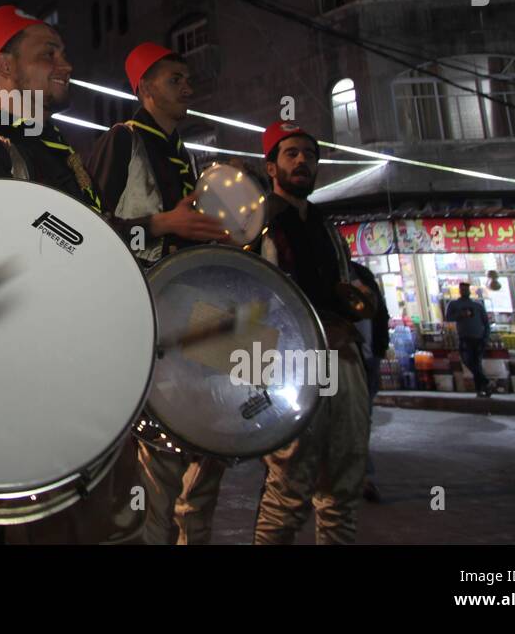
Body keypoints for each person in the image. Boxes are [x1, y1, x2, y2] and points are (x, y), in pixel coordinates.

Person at [0, 7, 167, 543]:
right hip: (26, 407)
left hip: (95, 395)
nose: (67, 64)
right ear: (6, 70)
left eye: (63, 53)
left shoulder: (65, 157)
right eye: (48, 54)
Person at [86, 43, 230, 544]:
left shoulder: (184, 155)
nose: (187, 87)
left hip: (183, 314)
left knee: (205, 439)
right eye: (174, 79)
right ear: (144, 90)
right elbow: (86, 230)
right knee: (149, 466)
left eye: (188, 79)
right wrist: (160, 224)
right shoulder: (121, 141)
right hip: (136, 314)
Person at [252, 121, 371, 545]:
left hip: (343, 358)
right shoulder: (257, 225)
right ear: (272, 167)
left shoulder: (325, 224)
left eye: (310, 154)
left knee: (343, 485)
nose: (303, 161)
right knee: (289, 490)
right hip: (293, 363)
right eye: (291, 154)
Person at [350, 261, 389, 502]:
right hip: (344, 357)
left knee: (359, 418)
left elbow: (379, 314)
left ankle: (360, 476)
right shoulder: (322, 275)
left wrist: (378, 350)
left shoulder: (361, 276)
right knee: (354, 418)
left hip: (365, 358)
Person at [446, 283, 493, 397]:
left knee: (476, 363)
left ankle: (481, 389)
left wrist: (485, 338)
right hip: (464, 338)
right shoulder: (454, 304)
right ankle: (485, 382)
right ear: (460, 291)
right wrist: (461, 315)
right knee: (468, 361)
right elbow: (448, 318)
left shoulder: (477, 305)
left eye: (466, 289)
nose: (464, 291)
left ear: (469, 291)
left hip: (478, 338)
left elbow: (486, 323)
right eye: (462, 289)